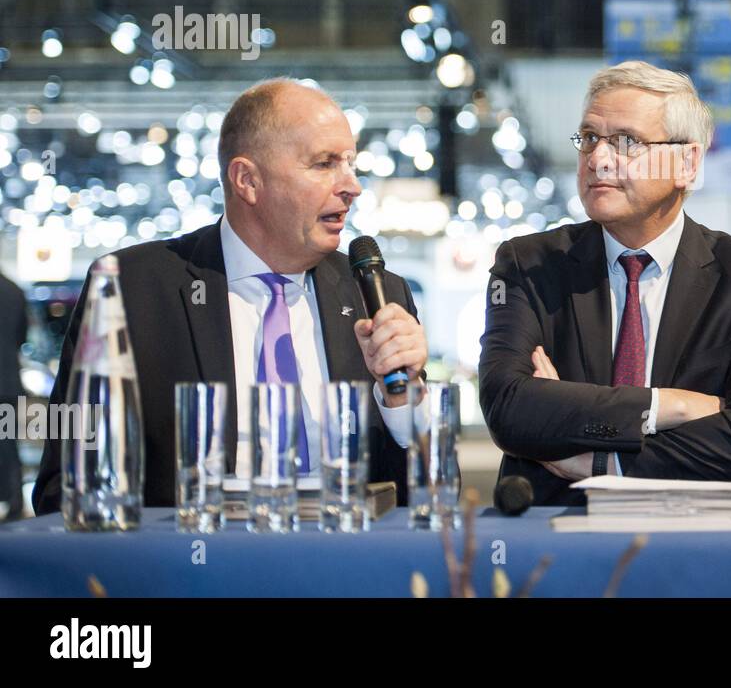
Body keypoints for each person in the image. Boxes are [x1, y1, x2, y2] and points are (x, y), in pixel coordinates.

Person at [33, 79, 427, 513]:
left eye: (350, 163)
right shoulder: (134, 290)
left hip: (344, 570)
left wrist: (399, 402)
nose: (351, 185)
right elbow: (67, 485)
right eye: (324, 164)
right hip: (189, 571)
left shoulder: (379, 296)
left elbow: (425, 495)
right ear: (247, 180)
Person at [479, 61, 731, 506]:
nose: (598, 158)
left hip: (699, 536)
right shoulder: (530, 264)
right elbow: (509, 409)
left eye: (626, 142)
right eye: (589, 138)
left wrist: (600, 464)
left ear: (687, 163)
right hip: (553, 536)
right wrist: (673, 406)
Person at [0, 270, 28, 521]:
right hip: (8, 381)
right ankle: (15, 500)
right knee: (8, 441)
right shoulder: (14, 290)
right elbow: (22, 338)